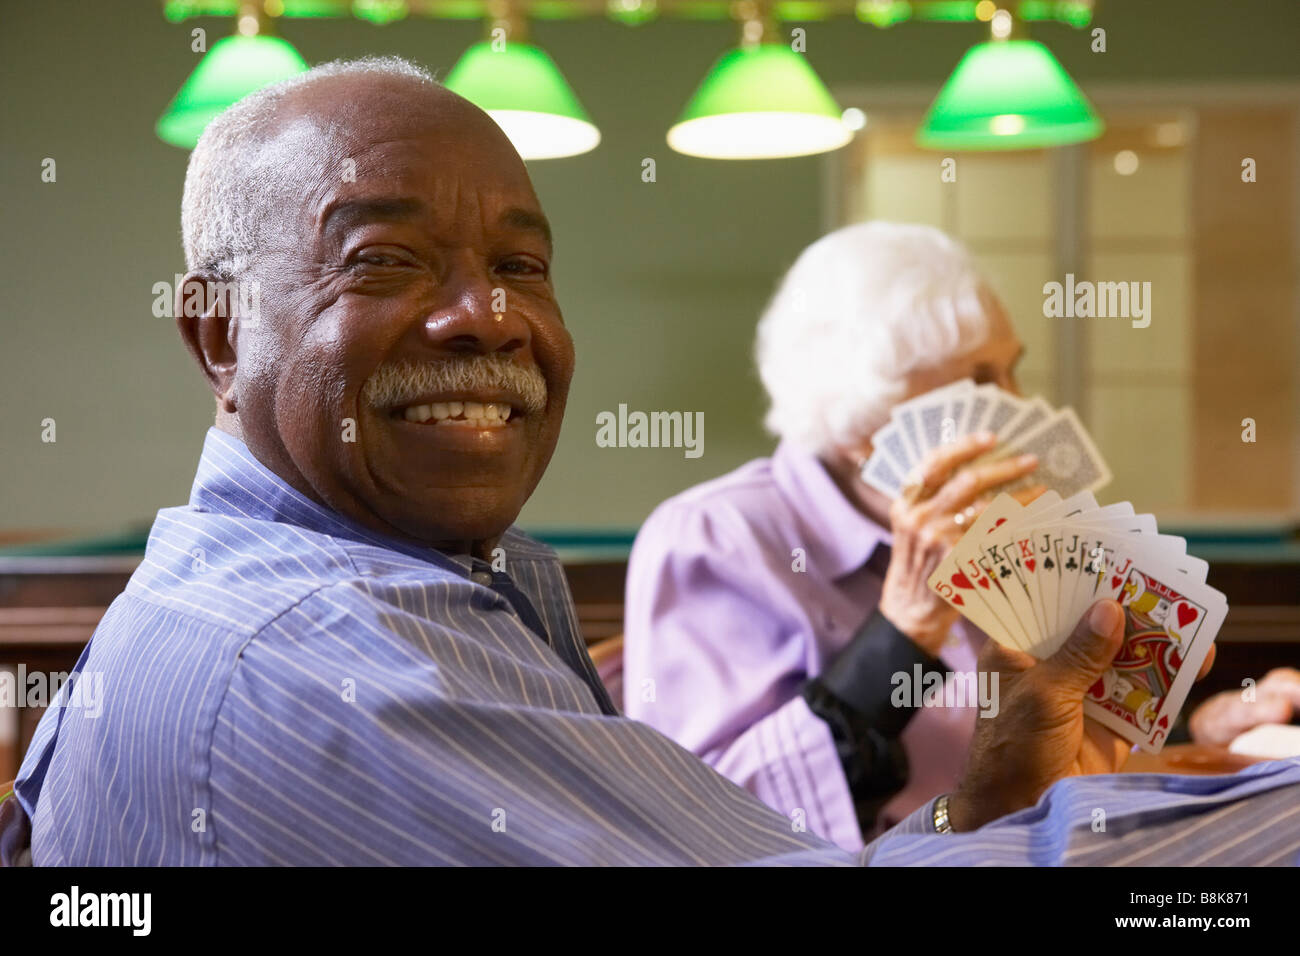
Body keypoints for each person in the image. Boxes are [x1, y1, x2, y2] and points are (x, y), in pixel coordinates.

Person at [7, 57, 1296, 867]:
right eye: (385, 259)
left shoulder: (474, 574)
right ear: (218, 332)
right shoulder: (323, 649)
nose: (489, 315)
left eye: (520, 265)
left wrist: (1048, 744)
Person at [624, 222, 1044, 849]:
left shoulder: (1004, 530)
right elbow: (701, 820)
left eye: (1012, 373)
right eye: (982, 382)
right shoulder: (715, 536)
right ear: (864, 420)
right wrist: (905, 632)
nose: (1022, 409)